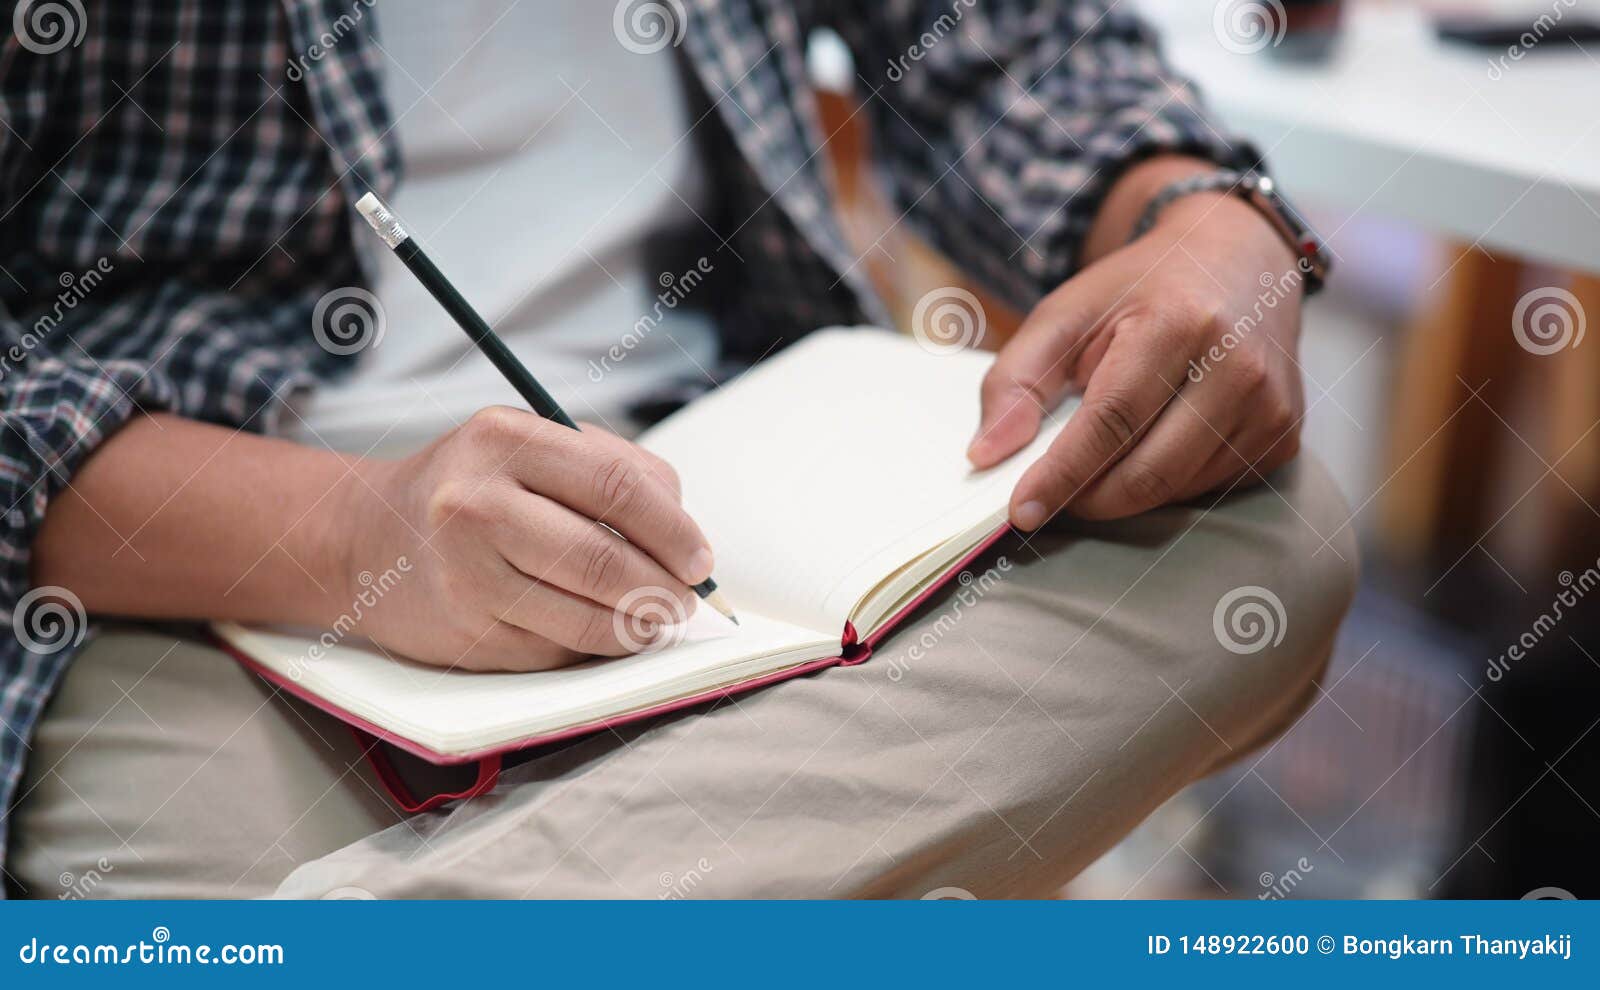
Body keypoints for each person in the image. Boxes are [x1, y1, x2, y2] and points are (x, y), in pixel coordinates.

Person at [1, 1, 1355, 898]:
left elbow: (1000, 38)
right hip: (186, 551)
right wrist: (354, 536)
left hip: (718, 451)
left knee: (1259, 538)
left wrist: (1192, 214)